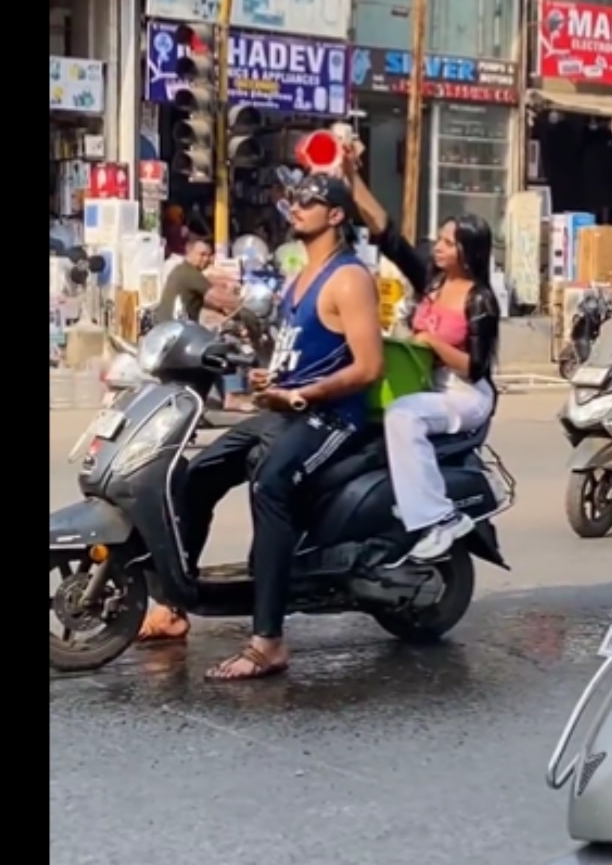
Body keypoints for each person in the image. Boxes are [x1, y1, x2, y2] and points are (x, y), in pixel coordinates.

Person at [139, 173, 384, 681]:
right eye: (292, 199)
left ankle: (268, 640)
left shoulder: (349, 278)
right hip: (285, 408)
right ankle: (171, 604)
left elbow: (367, 367)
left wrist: (300, 393)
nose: (295, 207)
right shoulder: (298, 279)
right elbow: (300, 354)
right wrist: (270, 376)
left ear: (336, 215)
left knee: (270, 485)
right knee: (198, 471)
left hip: (331, 417)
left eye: (308, 201)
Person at [343, 144, 500, 561]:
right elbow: (387, 235)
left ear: (468, 250)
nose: (439, 248)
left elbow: (477, 367)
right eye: (441, 241)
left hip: (464, 396)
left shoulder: (481, 299)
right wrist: (350, 174)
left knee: (403, 416)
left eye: (449, 243)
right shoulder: (430, 282)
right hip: (426, 386)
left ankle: (437, 517)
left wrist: (433, 343)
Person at [153, 235, 239, 325]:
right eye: (202, 254)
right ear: (189, 253)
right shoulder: (189, 273)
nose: (205, 259)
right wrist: (244, 304)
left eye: (208, 256)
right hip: (176, 330)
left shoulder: (182, 269)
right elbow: (217, 297)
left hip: (169, 326)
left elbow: (209, 297)